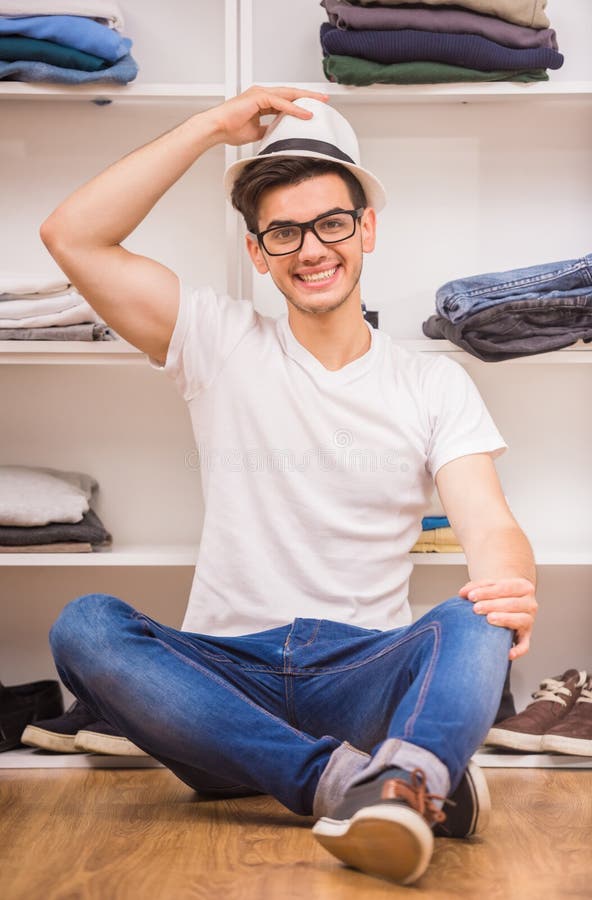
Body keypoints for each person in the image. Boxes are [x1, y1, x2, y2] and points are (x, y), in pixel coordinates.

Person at [41, 85, 537, 886]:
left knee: (476, 616)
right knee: (87, 626)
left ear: (366, 228)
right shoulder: (215, 340)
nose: (312, 248)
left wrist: (509, 588)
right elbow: (72, 236)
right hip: (222, 693)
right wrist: (209, 128)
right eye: (284, 231)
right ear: (257, 252)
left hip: (361, 674)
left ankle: (391, 776)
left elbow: (490, 524)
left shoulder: (429, 386)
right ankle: (370, 784)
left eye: (332, 223)